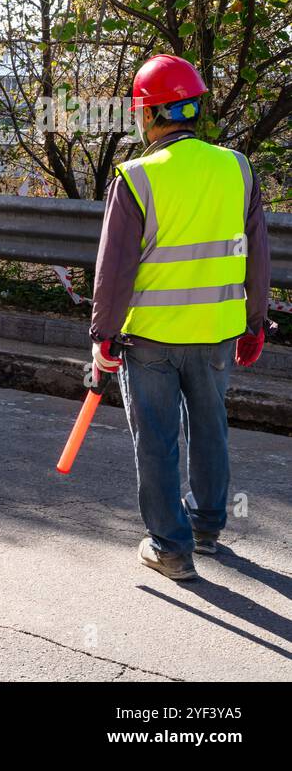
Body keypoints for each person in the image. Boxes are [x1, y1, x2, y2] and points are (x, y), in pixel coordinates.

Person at [89, 54, 272, 581]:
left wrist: (103, 335)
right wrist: (254, 323)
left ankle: (170, 547)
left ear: (148, 114)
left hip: (149, 339)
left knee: (157, 439)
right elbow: (258, 255)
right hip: (216, 334)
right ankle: (208, 527)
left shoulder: (136, 177)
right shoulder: (236, 167)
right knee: (211, 427)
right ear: (192, 110)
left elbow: (114, 269)